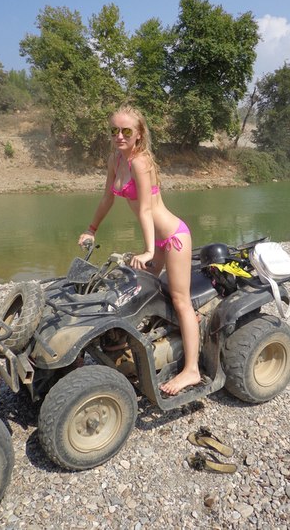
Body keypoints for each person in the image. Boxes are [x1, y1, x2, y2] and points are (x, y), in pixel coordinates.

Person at [78, 105, 200, 395]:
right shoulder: (115, 159)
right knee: (138, 289)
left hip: (173, 238)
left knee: (181, 300)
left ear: (139, 134)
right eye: (114, 130)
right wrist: (91, 229)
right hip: (156, 239)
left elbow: (145, 209)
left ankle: (192, 370)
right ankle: (137, 342)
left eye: (126, 131)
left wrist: (147, 251)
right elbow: (107, 198)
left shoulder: (141, 162)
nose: (119, 136)